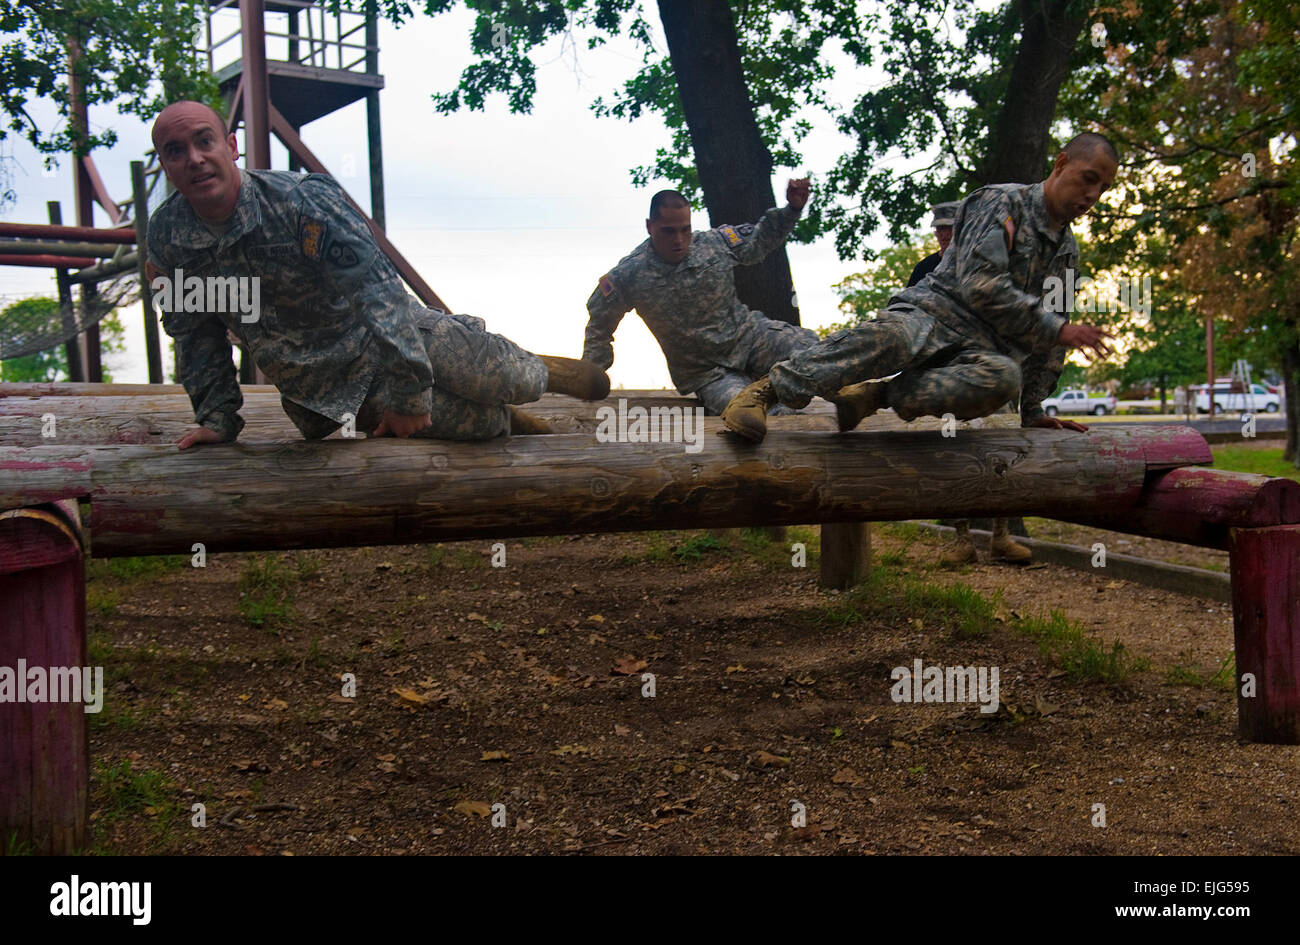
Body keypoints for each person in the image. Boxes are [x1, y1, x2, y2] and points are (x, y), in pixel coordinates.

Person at [147, 100, 608, 448]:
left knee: (508, 379)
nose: (194, 158)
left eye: (204, 141)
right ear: (166, 165)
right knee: (479, 426)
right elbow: (195, 333)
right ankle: (506, 417)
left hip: (394, 337)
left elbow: (377, 292)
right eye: (175, 151)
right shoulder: (169, 238)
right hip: (327, 389)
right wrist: (216, 419)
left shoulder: (302, 202)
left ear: (230, 146)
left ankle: (542, 370)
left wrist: (409, 392)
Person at [721, 132, 1119, 442]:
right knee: (893, 336)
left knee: (1003, 380)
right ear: (1062, 163)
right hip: (935, 314)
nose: (1092, 195)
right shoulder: (1002, 204)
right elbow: (982, 284)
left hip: (982, 354)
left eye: (1102, 188)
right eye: (1089, 179)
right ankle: (765, 392)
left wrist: (1032, 408)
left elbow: (1053, 338)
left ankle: (876, 397)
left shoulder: (1067, 254)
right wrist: (1055, 328)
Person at [581, 180, 819, 415]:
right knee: (748, 412)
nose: (679, 240)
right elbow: (599, 326)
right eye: (669, 231)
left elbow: (758, 241)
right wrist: (591, 376)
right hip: (708, 372)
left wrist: (792, 209)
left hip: (750, 340)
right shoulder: (629, 274)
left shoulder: (714, 243)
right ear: (649, 226)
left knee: (819, 353)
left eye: (685, 229)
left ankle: (852, 394)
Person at [906, 202, 958, 288]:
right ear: (935, 232)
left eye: (950, 228)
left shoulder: (971, 261)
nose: (945, 234)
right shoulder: (923, 267)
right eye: (940, 229)